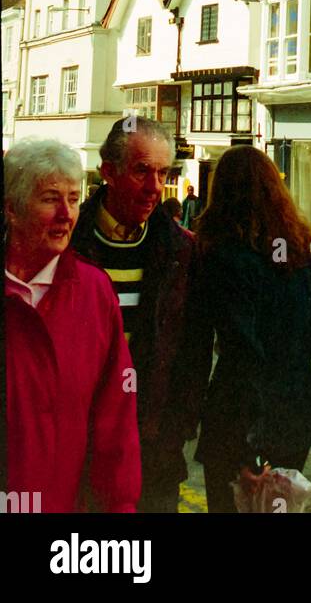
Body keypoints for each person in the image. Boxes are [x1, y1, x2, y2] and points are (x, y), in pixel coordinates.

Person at [71, 117, 210, 513]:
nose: (154, 187)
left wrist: (175, 429)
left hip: (153, 450)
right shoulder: (68, 242)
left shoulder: (182, 252)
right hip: (78, 445)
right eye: (141, 171)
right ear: (108, 172)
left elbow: (195, 350)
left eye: (163, 172)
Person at [4, 139, 141, 513]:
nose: (66, 213)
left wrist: (120, 506)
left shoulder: (94, 291)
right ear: (12, 209)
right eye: (50, 198)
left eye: (74, 198)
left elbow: (117, 418)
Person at [192, 146, 311, 513]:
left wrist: (247, 450)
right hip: (294, 414)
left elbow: (242, 353)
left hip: (242, 422)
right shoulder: (298, 253)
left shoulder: (224, 257)